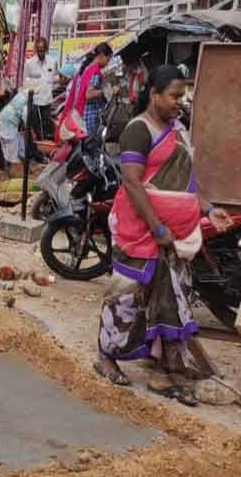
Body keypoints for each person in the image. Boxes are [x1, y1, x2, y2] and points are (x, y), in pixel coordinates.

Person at [94, 65, 233, 406]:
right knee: (127, 297)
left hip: (176, 236)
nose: (179, 102)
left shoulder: (178, 132)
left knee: (172, 297)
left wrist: (208, 208)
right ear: (154, 94)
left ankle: (163, 367)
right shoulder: (138, 131)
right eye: (173, 96)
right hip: (141, 230)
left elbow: (186, 186)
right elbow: (132, 182)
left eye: (182, 96)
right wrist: (156, 227)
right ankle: (106, 357)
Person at [58, 42, 111, 140]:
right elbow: (88, 94)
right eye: (108, 59)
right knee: (89, 146)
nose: (108, 63)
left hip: (79, 114)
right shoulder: (94, 72)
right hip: (89, 116)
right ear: (101, 56)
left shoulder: (84, 69)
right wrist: (106, 91)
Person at [25, 36, 58, 140]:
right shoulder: (29, 63)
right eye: (38, 50)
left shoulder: (52, 62)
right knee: (35, 126)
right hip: (34, 100)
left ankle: (44, 147)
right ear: (35, 50)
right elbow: (26, 82)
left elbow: (54, 78)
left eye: (42, 50)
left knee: (46, 126)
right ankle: (35, 148)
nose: (40, 53)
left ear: (46, 49)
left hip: (47, 100)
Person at [0, 87, 30, 179]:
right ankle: (6, 174)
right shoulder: (25, 104)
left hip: (5, 122)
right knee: (10, 149)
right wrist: (29, 132)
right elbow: (26, 122)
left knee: (19, 147)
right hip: (8, 126)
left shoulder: (20, 96)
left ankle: (26, 170)